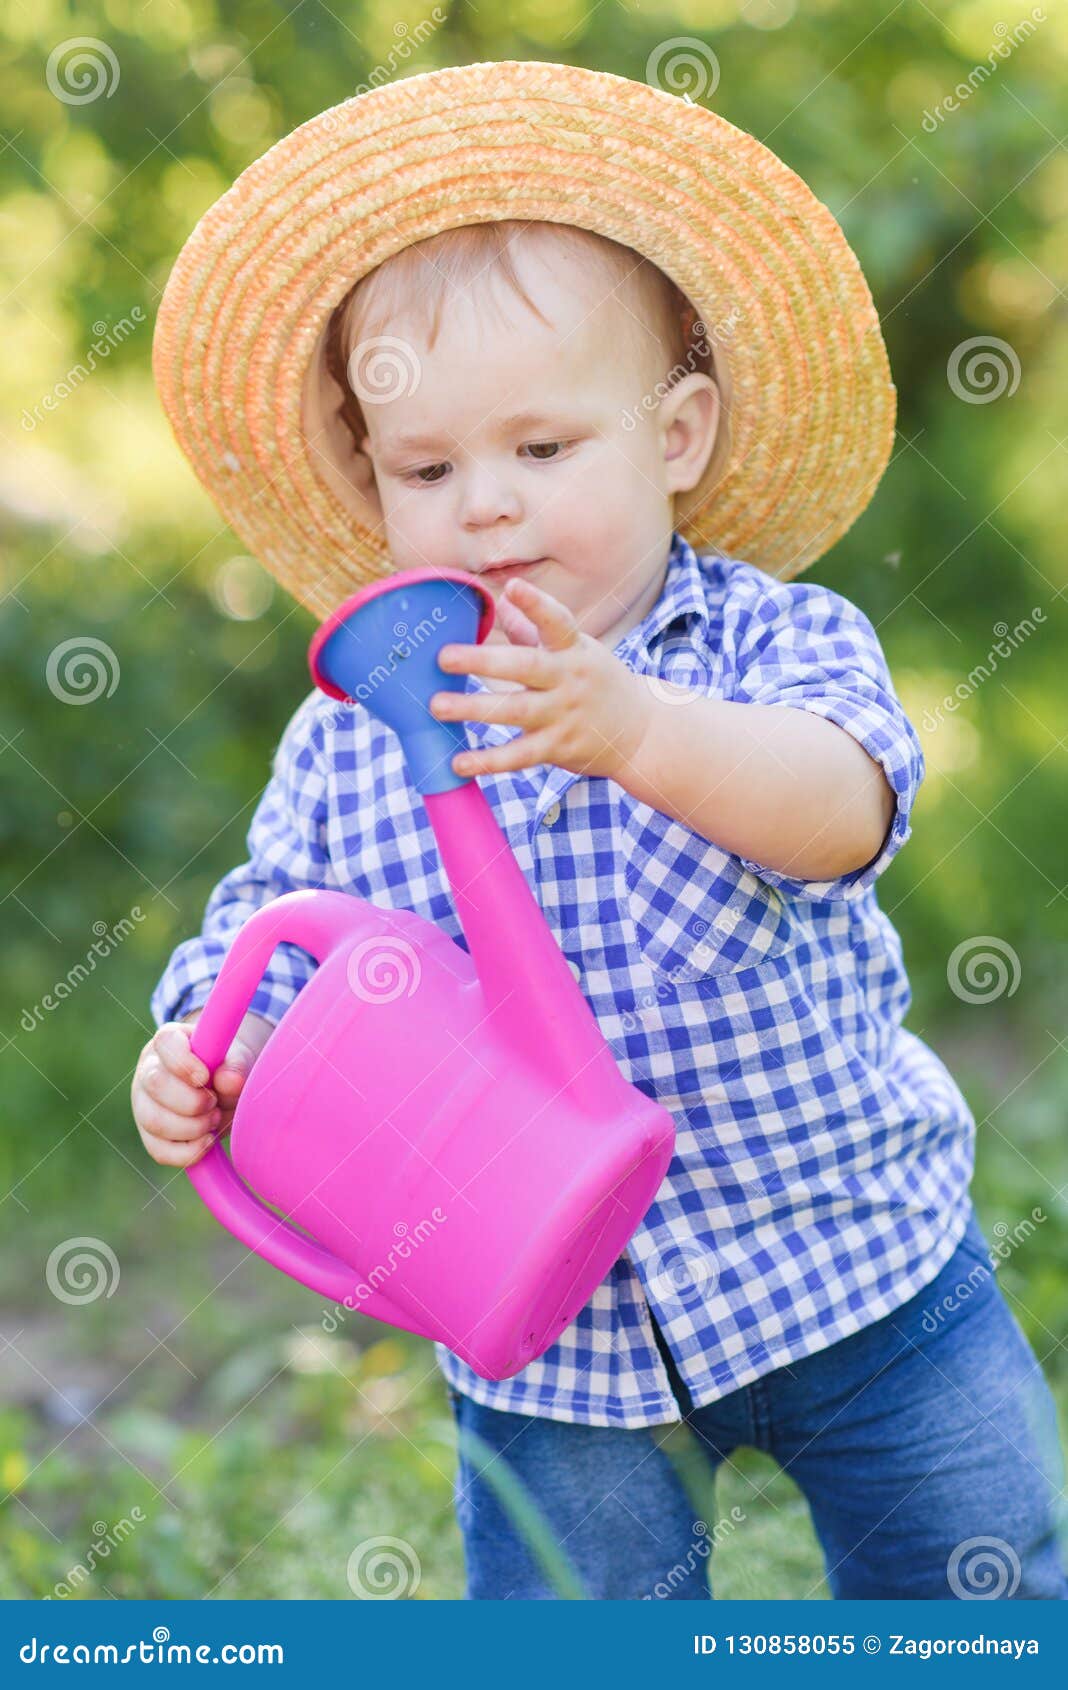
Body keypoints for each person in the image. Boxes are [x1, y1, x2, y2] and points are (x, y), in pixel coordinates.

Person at [132, 61, 1067, 1600]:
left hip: (854, 1261)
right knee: (578, 1632)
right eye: (430, 468)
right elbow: (268, 933)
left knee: (978, 1585)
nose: (487, 505)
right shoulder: (356, 731)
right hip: (557, 1337)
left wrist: (637, 731)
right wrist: (202, 1051)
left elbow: (843, 810)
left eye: (544, 449)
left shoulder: (764, 640)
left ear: (677, 434)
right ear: (374, 485)